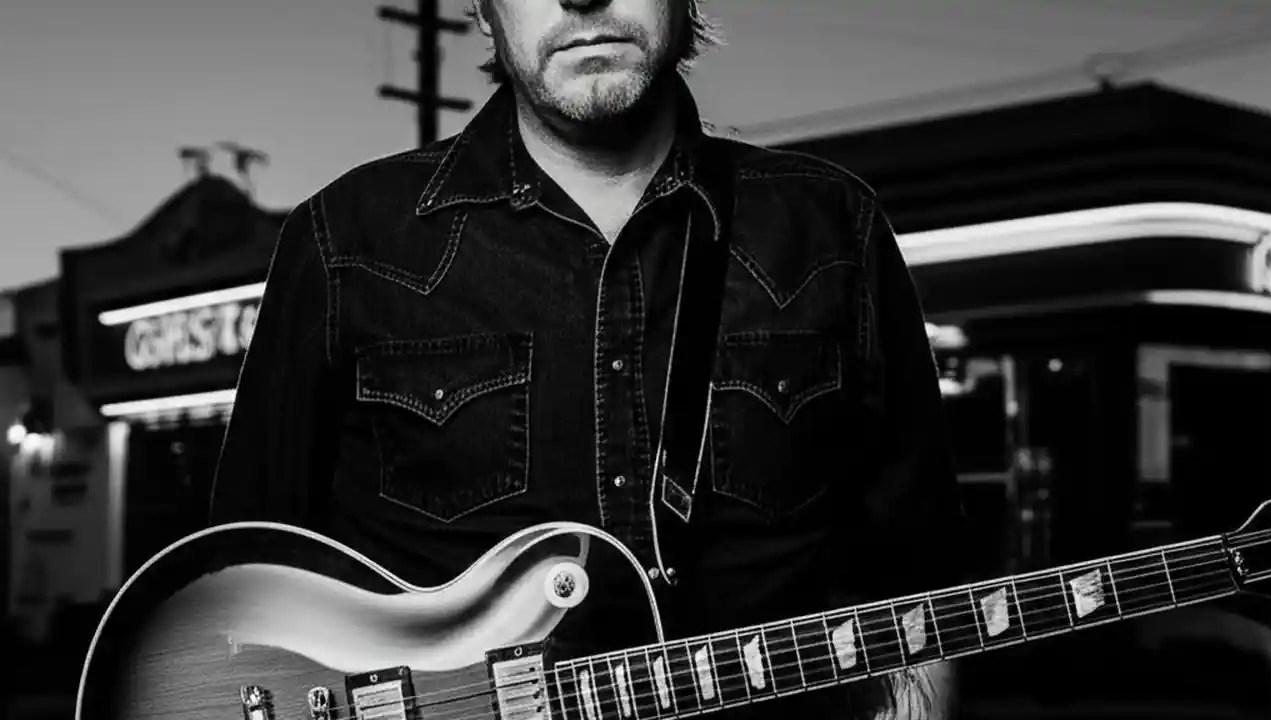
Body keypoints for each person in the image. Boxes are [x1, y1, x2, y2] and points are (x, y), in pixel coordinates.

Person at [209, 1, 970, 718]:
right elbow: (234, 598)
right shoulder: (346, 243)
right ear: (482, 8)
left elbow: (920, 588)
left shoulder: (832, 228)